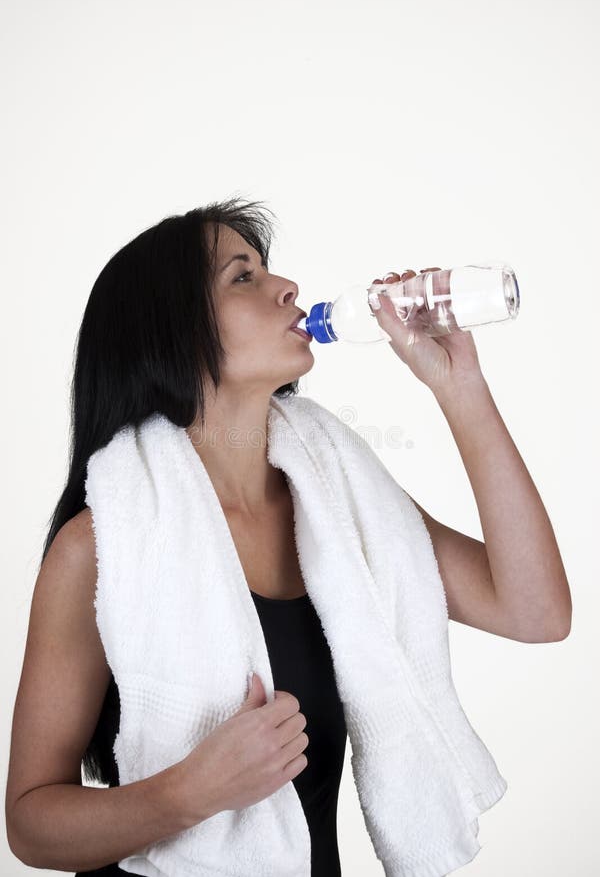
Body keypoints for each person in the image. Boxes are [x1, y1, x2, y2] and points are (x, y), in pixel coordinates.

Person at [5, 196, 571, 876]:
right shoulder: (99, 548)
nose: (287, 287)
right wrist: (188, 793)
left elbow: (535, 612)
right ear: (173, 336)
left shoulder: (340, 508)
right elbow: (32, 825)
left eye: (266, 269)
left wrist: (461, 386)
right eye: (242, 277)